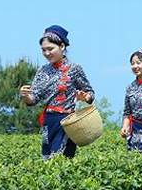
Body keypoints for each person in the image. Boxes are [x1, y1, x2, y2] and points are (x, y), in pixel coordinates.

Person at [20, 25, 95, 159]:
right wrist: (25, 96)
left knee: (60, 159)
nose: (47, 53)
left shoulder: (74, 69)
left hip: (67, 122)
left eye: (50, 49)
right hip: (49, 121)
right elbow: (33, 99)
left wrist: (85, 97)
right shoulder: (42, 71)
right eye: (43, 50)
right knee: (46, 159)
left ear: (62, 46)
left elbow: (90, 93)